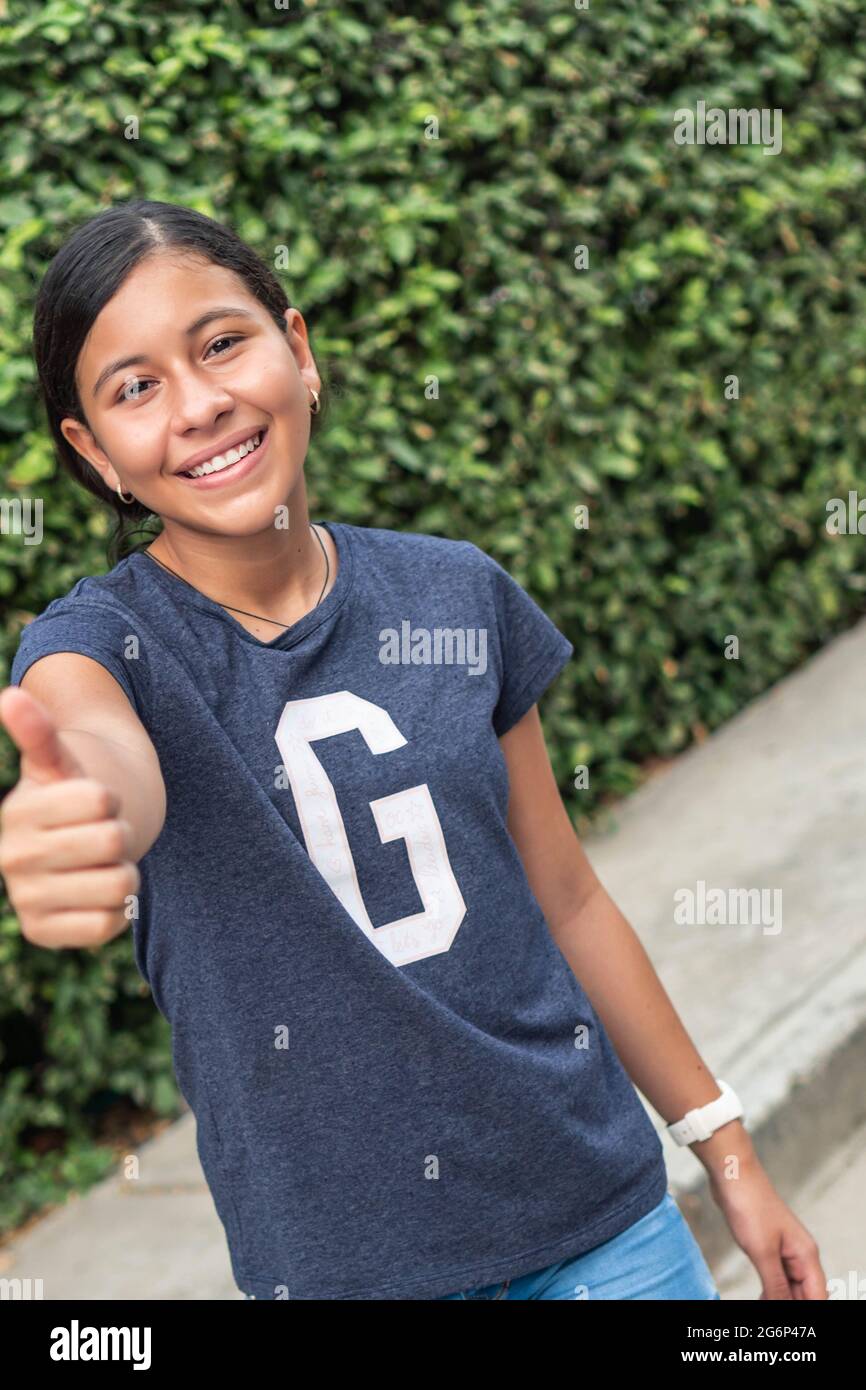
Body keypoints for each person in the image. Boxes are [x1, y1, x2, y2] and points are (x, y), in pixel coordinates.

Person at [0, 200, 827, 1301]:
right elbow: (98, 746)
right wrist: (86, 814)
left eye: (221, 344)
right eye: (134, 387)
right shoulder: (98, 648)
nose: (198, 406)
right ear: (92, 450)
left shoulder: (454, 590)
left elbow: (567, 898)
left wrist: (726, 1153)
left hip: (604, 1232)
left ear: (298, 352)